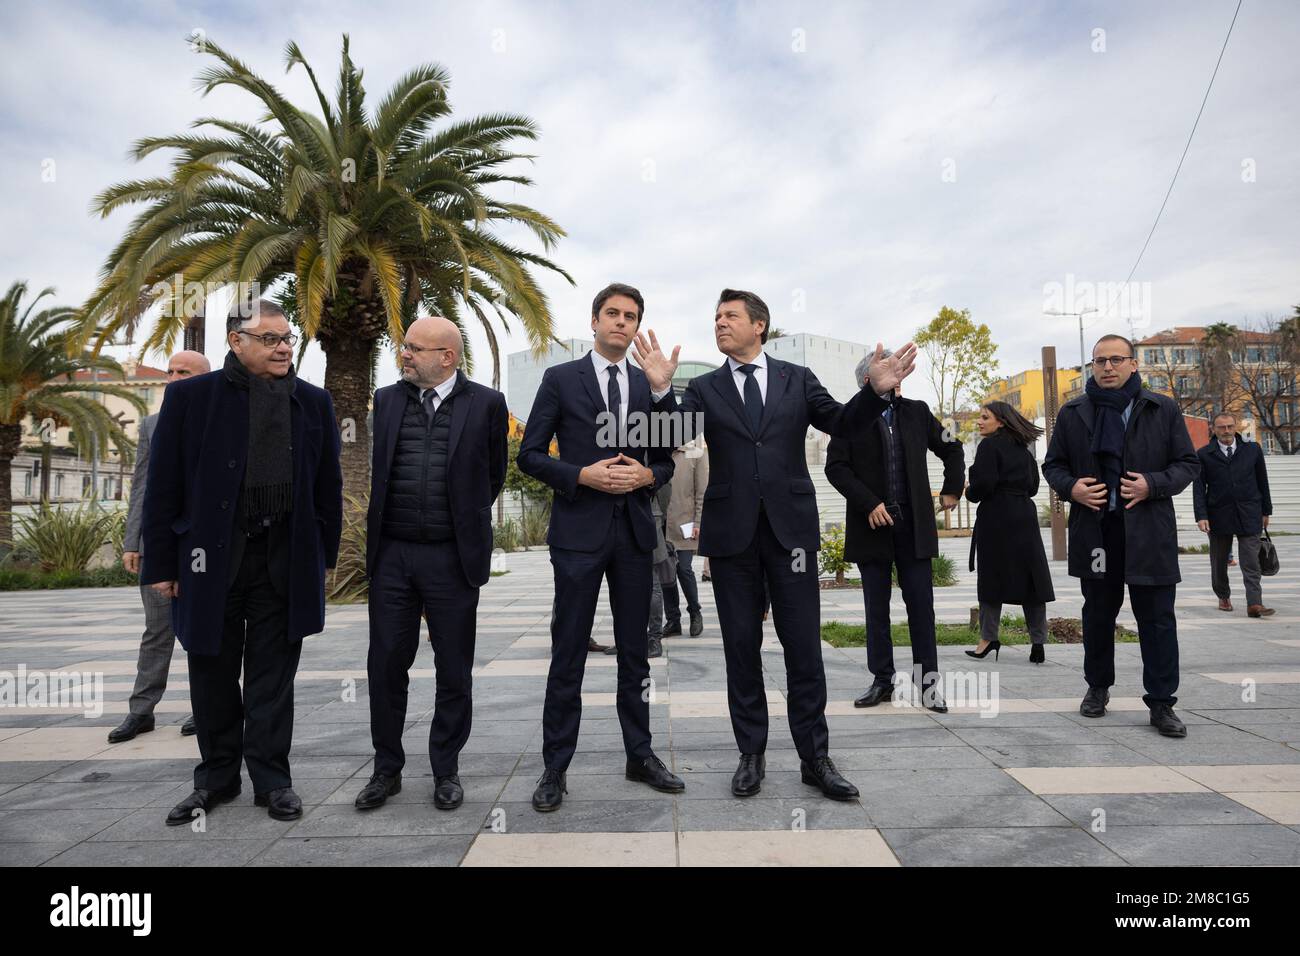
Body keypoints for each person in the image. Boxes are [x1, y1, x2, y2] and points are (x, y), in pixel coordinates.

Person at [655, 289, 916, 799]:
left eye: (730, 316)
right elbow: (671, 435)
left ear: (760, 325)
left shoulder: (797, 379)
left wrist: (875, 391)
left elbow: (839, 422)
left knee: (803, 650)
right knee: (740, 649)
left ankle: (814, 758)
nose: (719, 324)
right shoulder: (705, 388)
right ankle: (750, 755)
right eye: (715, 317)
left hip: (790, 535)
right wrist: (663, 391)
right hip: (732, 539)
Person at [142, 300, 342, 824]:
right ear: (237, 342)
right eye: (271, 338)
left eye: (287, 338)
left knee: (273, 679)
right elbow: (163, 487)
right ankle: (215, 779)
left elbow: (328, 488)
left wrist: (325, 557)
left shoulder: (312, 402)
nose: (283, 347)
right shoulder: (190, 398)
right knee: (211, 672)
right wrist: (162, 565)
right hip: (210, 561)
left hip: (284, 558)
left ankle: (274, 782)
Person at [517, 283, 685, 811]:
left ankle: (641, 754)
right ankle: (554, 767)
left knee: (636, 655)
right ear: (594, 322)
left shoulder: (647, 384)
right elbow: (529, 455)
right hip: (578, 537)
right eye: (612, 313)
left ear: (637, 328)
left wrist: (645, 473)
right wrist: (581, 475)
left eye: (630, 316)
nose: (621, 322)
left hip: (634, 535)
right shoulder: (560, 379)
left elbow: (665, 462)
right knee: (568, 652)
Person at [354, 316, 508, 813]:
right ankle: (386, 770)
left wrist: (458, 520)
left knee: (454, 668)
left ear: (447, 357)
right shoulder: (387, 399)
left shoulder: (486, 403)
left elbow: (493, 475)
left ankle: (446, 770)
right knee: (385, 664)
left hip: (451, 557)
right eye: (404, 347)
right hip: (393, 555)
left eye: (415, 349)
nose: (404, 355)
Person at [1042, 334, 1198, 738]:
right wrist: (1071, 488)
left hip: (1148, 531)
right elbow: (1053, 464)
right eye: (1099, 361)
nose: (1107, 367)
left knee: (1157, 620)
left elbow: (1187, 464)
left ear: (1132, 364)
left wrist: (1153, 484)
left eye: (1115, 359)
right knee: (1097, 616)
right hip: (1097, 531)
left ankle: (1162, 704)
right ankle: (1097, 688)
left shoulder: (1160, 407)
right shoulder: (1074, 412)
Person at [824, 352, 963, 710]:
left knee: (921, 608)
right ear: (868, 379)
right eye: (889, 371)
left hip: (914, 527)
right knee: (876, 609)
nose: (897, 376)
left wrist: (952, 488)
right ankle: (882, 680)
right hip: (872, 526)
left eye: (899, 371)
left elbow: (953, 446)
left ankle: (928, 685)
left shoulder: (918, 411)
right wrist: (868, 502)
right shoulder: (850, 417)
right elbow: (835, 468)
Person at [110, 350, 210, 744]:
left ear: (205, 377)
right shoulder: (153, 425)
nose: (172, 378)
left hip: (203, 547)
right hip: (159, 544)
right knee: (157, 630)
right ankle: (141, 711)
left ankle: (207, 708)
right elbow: (143, 487)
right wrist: (133, 541)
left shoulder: (221, 420)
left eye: (182, 372)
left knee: (205, 628)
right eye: (169, 371)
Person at [965, 401, 1055, 663]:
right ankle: (1038, 643)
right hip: (1024, 516)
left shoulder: (989, 446)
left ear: (1000, 421)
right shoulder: (1024, 450)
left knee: (992, 578)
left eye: (985, 417)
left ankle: (988, 639)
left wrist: (969, 489)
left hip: (996, 516)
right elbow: (1034, 487)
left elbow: (983, 485)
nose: (979, 422)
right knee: (1032, 578)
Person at [1193, 412, 1273, 617]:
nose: (1226, 431)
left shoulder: (1252, 449)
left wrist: (1266, 510)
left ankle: (1254, 603)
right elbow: (1199, 488)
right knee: (1219, 561)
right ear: (1213, 429)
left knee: (1251, 561)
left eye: (1229, 426)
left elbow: (1262, 481)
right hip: (1218, 515)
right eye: (1221, 427)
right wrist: (1201, 516)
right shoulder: (1204, 454)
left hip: (1250, 512)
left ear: (1235, 426)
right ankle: (1223, 595)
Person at [663, 439, 708, 637]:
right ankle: (673, 620)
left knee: (684, 568)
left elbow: (702, 492)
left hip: (685, 523)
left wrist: (699, 522)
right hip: (661, 524)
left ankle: (695, 612)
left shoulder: (695, 452)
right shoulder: (658, 451)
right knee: (665, 573)